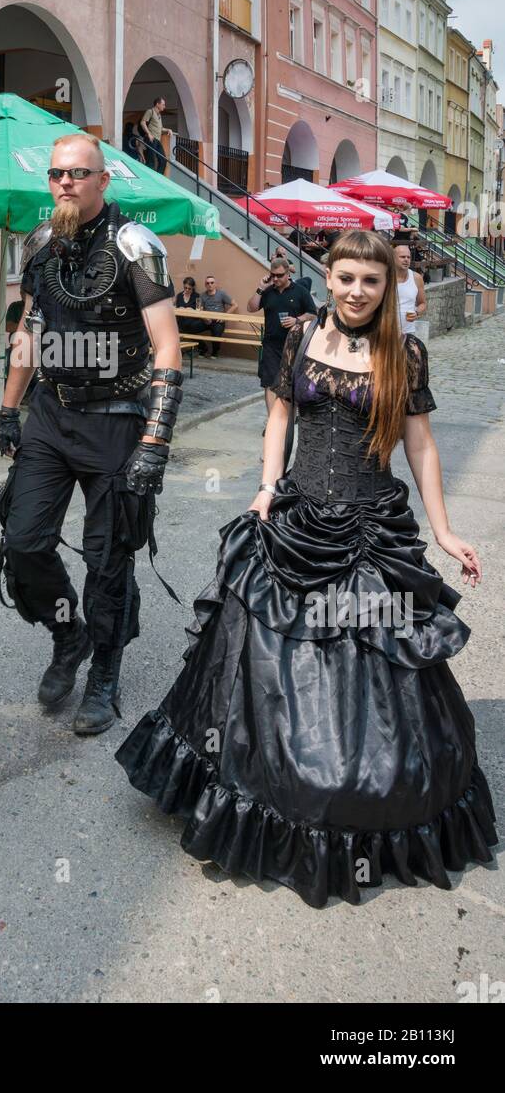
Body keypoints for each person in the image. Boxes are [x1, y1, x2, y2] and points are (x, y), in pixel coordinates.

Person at [117, 228, 497, 908]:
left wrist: (443, 531)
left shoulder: (404, 354)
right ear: (328, 276)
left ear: (387, 287)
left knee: (376, 677)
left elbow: (422, 446)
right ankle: (265, 780)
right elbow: (279, 419)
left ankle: (357, 801)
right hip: (298, 517)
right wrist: (266, 487)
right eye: (345, 277)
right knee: (260, 663)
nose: (356, 291)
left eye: (370, 281)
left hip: (371, 528)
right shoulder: (300, 336)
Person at [0, 133, 182, 736]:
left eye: (78, 173)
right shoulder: (40, 243)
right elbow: (29, 329)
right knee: (23, 540)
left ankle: (105, 674)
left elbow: (167, 348)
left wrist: (155, 443)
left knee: (109, 555)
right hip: (50, 413)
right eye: (55, 174)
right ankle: (68, 634)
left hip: (117, 418)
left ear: (104, 179)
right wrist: (7, 408)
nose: (65, 182)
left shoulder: (135, 246)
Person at [247, 258, 317, 416]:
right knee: (270, 383)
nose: (276, 279)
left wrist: (297, 320)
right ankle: (272, 421)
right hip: (271, 345)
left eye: (279, 275)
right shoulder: (267, 291)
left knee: (290, 384)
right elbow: (251, 308)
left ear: (288, 274)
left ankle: (288, 420)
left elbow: (313, 315)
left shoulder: (300, 291)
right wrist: (260, 288)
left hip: (293, 345)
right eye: (273, 275)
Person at [197, 273, 237, 356]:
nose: (210, 285)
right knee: (190, 328)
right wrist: (205, 318)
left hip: (218, 321)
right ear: (205, 285)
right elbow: (200, 310)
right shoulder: (202, 295)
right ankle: (203, 348)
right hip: (206, 320)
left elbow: (235, 305)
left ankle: (215, 352)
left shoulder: (221, 294)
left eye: (212, 283)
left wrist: (224, 317)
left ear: (215, 284)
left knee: (217, 333)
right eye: (207, 283)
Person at [393, 241, 427, 335]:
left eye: (408, 257)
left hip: (408, 332)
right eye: (402, 257)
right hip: (386, 332)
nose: (406, 260)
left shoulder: (416, 278)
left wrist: (416, 313)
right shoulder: (385, 277)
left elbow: (422, 303)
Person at [139, 96, 167, 174]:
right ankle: (149, 177)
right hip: (151, 139)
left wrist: (168, 130)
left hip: (157, 140)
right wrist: (149, 134)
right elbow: (143, 122)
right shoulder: (150, 111)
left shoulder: (159, 115)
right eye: (163, 104)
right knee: (151, 160)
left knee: (163, 160)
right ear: (157, 104)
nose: (164, 107)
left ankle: (159, 176)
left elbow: (160, 128)